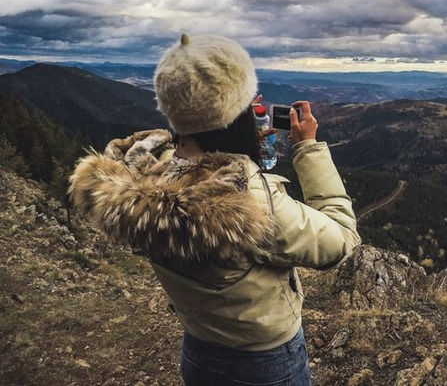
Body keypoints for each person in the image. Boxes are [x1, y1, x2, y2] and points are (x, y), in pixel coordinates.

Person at [69, 33, 361, 385]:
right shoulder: (248, 202)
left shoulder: (142, 178)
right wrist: (308, 150)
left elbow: (189, 166)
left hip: (200, 347)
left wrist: (238, 151)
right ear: (235, 112)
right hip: (263, 360)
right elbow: (343, 242)